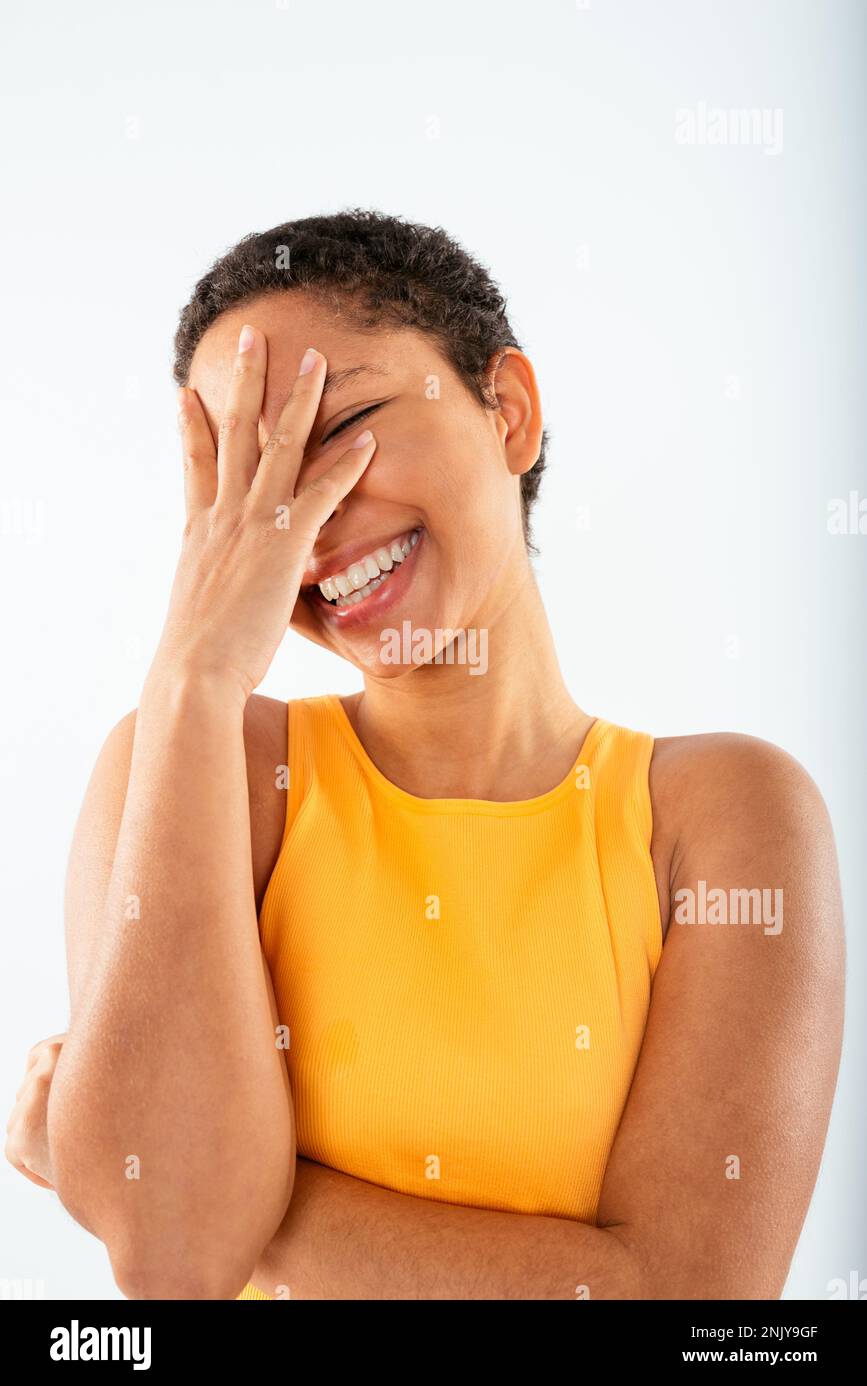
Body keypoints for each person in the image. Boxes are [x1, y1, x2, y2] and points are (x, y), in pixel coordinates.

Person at [6, 210, 845, 1300]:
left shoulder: (727, 814)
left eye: (341, 424)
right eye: (243, 485)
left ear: (509, 411)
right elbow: (171, 1257)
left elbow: (687, 1311)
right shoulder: (195, 758)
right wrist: (194, 676)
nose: (297, 524)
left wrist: (202, 1181)